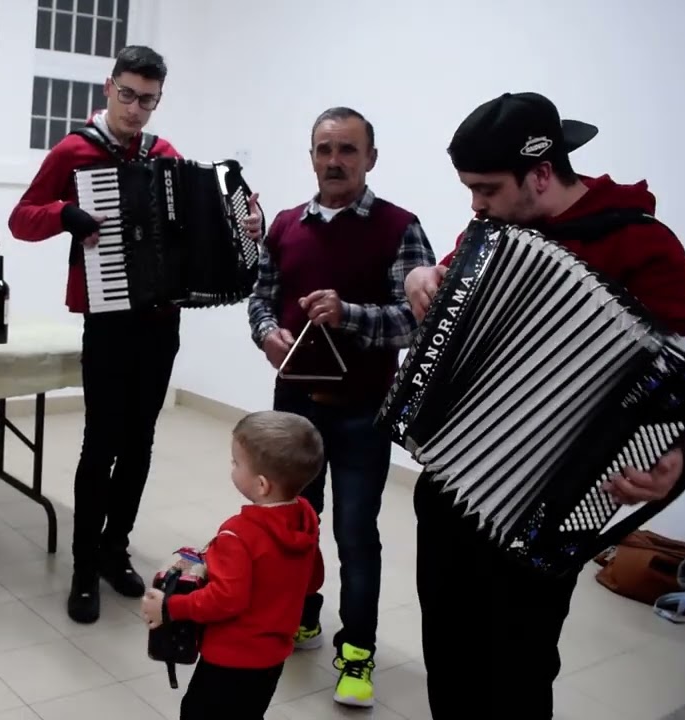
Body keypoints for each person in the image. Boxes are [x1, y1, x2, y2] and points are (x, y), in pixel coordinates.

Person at [403, 91, 685, 719]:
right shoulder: (490, 232)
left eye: (486, 188)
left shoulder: (640, 245)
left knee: (519, 666)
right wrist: (419, 281)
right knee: (449, 650)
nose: (474, 204)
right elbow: (448, 295)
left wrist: (676, 453)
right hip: (455, 484)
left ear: (540, 174)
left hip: (554, 498)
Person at [8, 45, 263, 624]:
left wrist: (249, 220)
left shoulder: (166, 155)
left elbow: (221, 214)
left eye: (148, 100)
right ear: (108, 87)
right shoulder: (75, 152)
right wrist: (64, 216)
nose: (136, 109)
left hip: (160, 319)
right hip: (107, 320)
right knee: (101, 441)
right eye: (128, 95)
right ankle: (80, 567)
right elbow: (22, 218)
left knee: (141, 439)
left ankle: (112, 548)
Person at [246, 106, 435, 707]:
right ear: (311, 157)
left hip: (362, 413)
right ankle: (302, 615)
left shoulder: (401, 227)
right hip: (292, 408)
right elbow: (261, 298)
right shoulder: (282, 225)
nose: (334, 160)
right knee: (292, 525)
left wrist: (350, 314)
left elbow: (417, 322)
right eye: (324, 149)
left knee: (356, 535)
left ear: (370, 159)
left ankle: (357, 653)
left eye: (348, 150)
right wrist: (266, 333)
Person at [140, 410, 325, 720]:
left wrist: (171, 607)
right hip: (273, 656)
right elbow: (312, 580)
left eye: (236, 463)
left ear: (262, 485)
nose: (232, 468)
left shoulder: (238, 533)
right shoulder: (305, 521)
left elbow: (226, 600)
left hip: (229, 658)